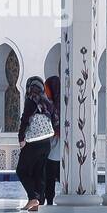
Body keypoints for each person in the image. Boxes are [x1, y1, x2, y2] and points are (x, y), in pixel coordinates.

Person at [15, 76, 56, 212]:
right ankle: (39, 201)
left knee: (21, 170)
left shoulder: (31, 100)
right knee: (39, 172)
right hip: (46, 142)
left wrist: (21, 137)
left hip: (33, 142)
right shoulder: (47, 102)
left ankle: (32, 197)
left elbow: (25, 119)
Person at [43, 76, 61, 205]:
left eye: (47, 89)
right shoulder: (51, 105)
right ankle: (49, 200)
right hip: (53, 146)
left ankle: (49, 201)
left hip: (58, 147)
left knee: (51, 176)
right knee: (49, 177)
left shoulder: (58, 106)